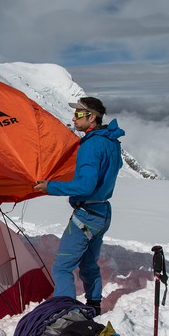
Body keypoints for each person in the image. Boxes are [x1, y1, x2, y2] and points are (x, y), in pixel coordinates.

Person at [34, 96, 124, 311]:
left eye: (78, 114)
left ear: (91, 117)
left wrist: (50, 187)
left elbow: (85, 186)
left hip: (87, 214)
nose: (73, 119)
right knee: (88, 263)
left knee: (62, 268)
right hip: (103, 212)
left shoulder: (91, 145)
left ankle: (66, 312)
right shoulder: (111, 141)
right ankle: (93, 304)